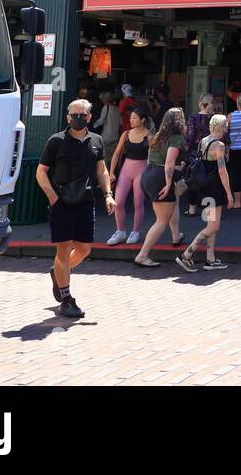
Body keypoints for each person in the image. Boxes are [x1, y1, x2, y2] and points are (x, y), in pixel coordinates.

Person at [36, 99, 116, 319]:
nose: (77, 118)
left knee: (83, 249)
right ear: (67, 117)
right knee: (63, 250)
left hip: (86, 201)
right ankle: (66, 298)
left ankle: (58, 273)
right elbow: (41, 172)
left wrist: (108, 195)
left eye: (82, 115)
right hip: (62, 202)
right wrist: (52, 197)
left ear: (90, 117)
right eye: (73, 115)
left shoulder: (96, 141)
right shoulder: (56, 141)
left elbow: (102, 171)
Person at [134, 107, 187, 268]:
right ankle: (142, 255)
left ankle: (176, 236)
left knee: (170, 207)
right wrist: (169, 183)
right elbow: (169, 163)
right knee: (161, 221)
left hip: (148, 175)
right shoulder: (176, 137)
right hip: (160, 178)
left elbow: (156, 161)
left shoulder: (157, 136)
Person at [177, 133, 234, 273]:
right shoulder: (219, 145)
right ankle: (187, 254)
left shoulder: (203, 140)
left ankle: (210, 258)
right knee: (214, 226)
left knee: (211, 225)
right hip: (214, 189)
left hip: (204, 188)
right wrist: (229, 193)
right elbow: (222, 170)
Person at [107, 105, 151, 246]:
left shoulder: (150, 135)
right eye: (130, 117)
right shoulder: (126, 134)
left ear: (142, 120)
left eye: (134, 118)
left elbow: (152, 157)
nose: (131, 120)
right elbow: (116, 154)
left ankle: (135, 231)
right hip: (126, 170)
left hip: (142, 169)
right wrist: (111, 172)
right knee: (118, 202)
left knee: (138, 203)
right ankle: (120, 231)